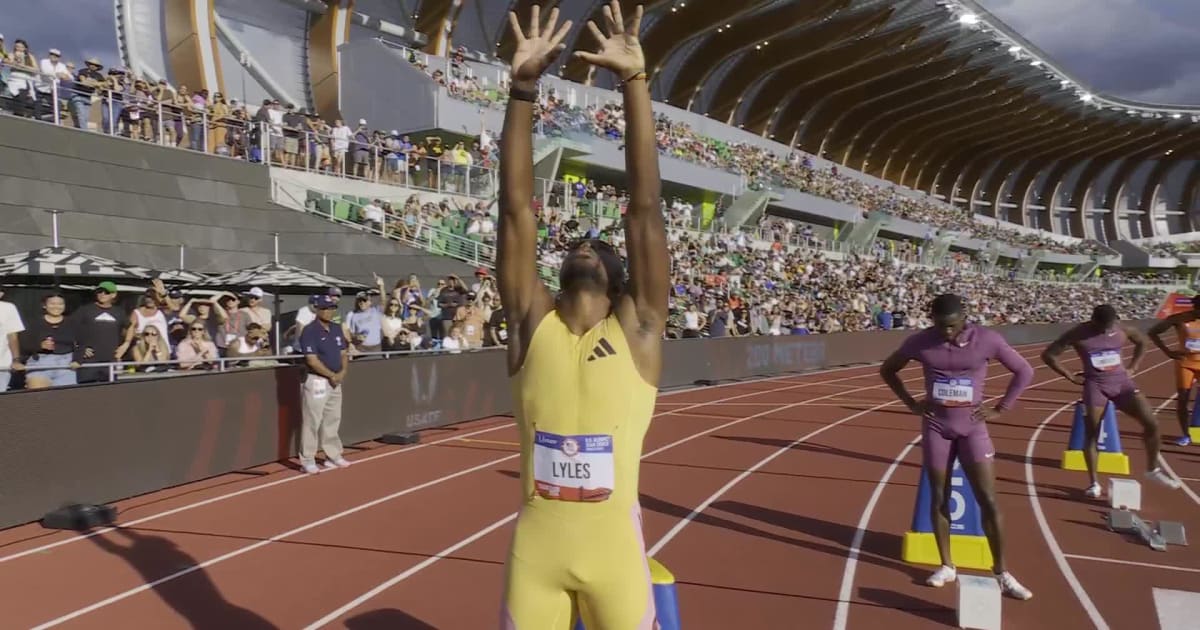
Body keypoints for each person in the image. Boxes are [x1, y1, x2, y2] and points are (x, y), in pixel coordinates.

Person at [495, 3, 669, 628]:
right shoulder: (529, 320)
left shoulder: (639, 328)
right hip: (536, 556)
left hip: (614, 557)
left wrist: (635, 82)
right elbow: (515, 208)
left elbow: (644, 209)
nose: (587, 244)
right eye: (578, 243)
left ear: (622, 280)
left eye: (602, 246)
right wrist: (522, 90)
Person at [879, 294, 1034, 600]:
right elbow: (888, 370)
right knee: (939, 496)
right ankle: (947, 565)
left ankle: (1001, 572)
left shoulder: (987, 340)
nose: (946, 331)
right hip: (937, 427)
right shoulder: (921, 342)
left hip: (973, 427)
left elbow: (1025, 371)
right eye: (939, 325)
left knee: (988, 499)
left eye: (951, 325)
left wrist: (1001, 408)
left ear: (964, 317)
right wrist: (911, 403)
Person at [1042, 304, 1181, 496]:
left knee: (1152, 423)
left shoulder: (1122, 328)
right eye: (1102, 327)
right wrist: (1070, 376)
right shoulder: (1077, 333)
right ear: (1093, 320)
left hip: (1122, 384)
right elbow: (1049, 355)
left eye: (1109, 326)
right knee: (1092, 434)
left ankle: (1152, 469)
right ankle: (1094, 483)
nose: (1106, 330)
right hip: (1096, 386)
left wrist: (1134, 367)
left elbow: (1142, 342)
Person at [298, 294, 351, 474]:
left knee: (333, 418)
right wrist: (330, 375)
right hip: (317, 380)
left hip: (336, 380)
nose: (329, 311)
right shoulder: (309, 330)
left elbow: (343, 353)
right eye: (325, 308)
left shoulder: (336, 328)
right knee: (312, 420)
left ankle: (333, 455)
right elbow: (311, 360)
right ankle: (307, 459)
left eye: (332, 308)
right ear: (317, 309)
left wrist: (342, 372)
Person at [1146, 295, 1200, 445]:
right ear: (1195, 307)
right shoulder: (1179, 318)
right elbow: (1153, 332)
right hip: (1185, 363)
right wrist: (1167, 352)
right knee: (1183, 399)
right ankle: (1186, 435)